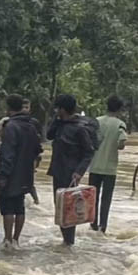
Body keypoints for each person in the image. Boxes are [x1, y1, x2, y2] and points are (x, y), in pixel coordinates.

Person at [46, 94, 95, 246]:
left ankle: (69, 242)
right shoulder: (60, 125)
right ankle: (66, 242)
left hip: (71, 174)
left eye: (57, 108)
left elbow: (89, 152)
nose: (56, 111)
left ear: (62, 109)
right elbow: (48, 135)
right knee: (60, 207)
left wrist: (79, 172)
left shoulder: (79, 129)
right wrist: (56, 119)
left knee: (69, 209)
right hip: (58, 171)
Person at [0, 94, 43, 249]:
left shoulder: (10, 127)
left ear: (8, 108)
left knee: (8, 207)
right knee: (19, 206)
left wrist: (3, 175)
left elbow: (8, 154)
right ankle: (16, 240)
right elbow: (38, 149)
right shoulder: (31, 126)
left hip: (12, 174)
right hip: (26, 174)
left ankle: (7, 240)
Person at [0, 99, 41, 205]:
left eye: (27, 107)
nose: (25, 109)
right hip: (10, 155)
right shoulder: (7, 121)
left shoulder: (32, 123)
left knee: (27, 183)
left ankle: (36, 201)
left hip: (22, 157)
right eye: (23, 107)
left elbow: (37, 146)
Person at [87, 95, 128, 233]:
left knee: (93, 198)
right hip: (110, 168)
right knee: (106, 199)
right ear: (120, 109)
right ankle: (103, 227)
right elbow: (121, 144)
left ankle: (92, 224)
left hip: (94, 166)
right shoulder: (120, 124)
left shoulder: (96, 121)